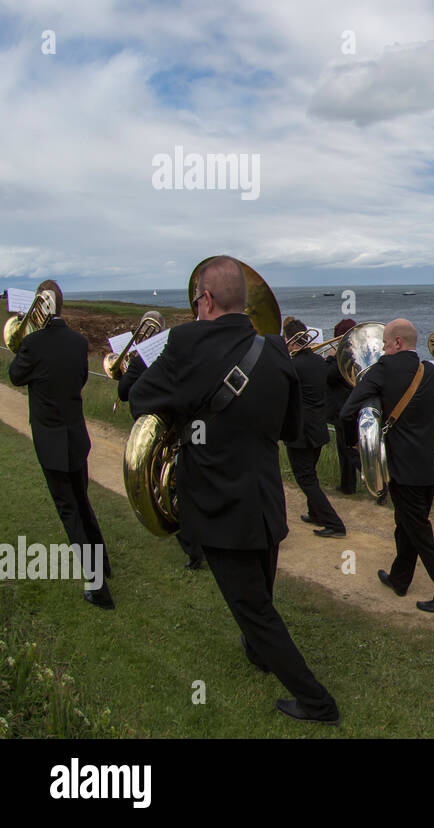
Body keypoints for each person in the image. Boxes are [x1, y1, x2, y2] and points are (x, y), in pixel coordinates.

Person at [129, 256, 338, 723]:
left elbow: (140, 398)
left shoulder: (184, 342)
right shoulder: (276, 350)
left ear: (204, 299)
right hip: (265, 501)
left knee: (255, 611)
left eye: (195, 298)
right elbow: (289, 428)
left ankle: (317, 702)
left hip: (220, 507)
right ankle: (261, 656)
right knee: (258, 598)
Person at [341, 318, 434, 614]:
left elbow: (347, 412)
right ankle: (399, 579)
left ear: (396, 343)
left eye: (384, 343)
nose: (382, 349)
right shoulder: (431, 372)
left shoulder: (381, 370)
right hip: (426, 466)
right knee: (405, 525)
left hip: (402, 469)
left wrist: (357, 442)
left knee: (420, 532)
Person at [7, 279, 113, 610]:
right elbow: (81, 378)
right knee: (83, 502)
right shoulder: (78, 341)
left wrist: (26, 337)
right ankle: (104, 565)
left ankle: (98, 589)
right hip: (75, 437)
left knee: (69, 511)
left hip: (51, 442)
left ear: (39, 307)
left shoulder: (33, 344)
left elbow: (14, 375)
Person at [118, 347, 205, 570]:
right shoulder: (184, 354)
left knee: (170, 488)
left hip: (163, 434)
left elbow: (125, 391)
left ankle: (193, 547)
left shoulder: (142, 360)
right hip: (195, 427)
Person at [282, 320, 347, 538]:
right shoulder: (320, 363)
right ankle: (316, 514)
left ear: (289, 340)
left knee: (305, 479)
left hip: (301, 432)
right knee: (311, 474)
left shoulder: (293, 365)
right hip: (318, 428)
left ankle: (335, 524)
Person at [322, 318, 361, 496]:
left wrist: (329, 358)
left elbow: (328, 377)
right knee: (347, 449)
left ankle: (377, 483)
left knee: (348, 451)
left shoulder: (342, 356)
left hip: (342, 408)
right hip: (349, 406)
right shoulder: (356, 353)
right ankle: (347, 485)